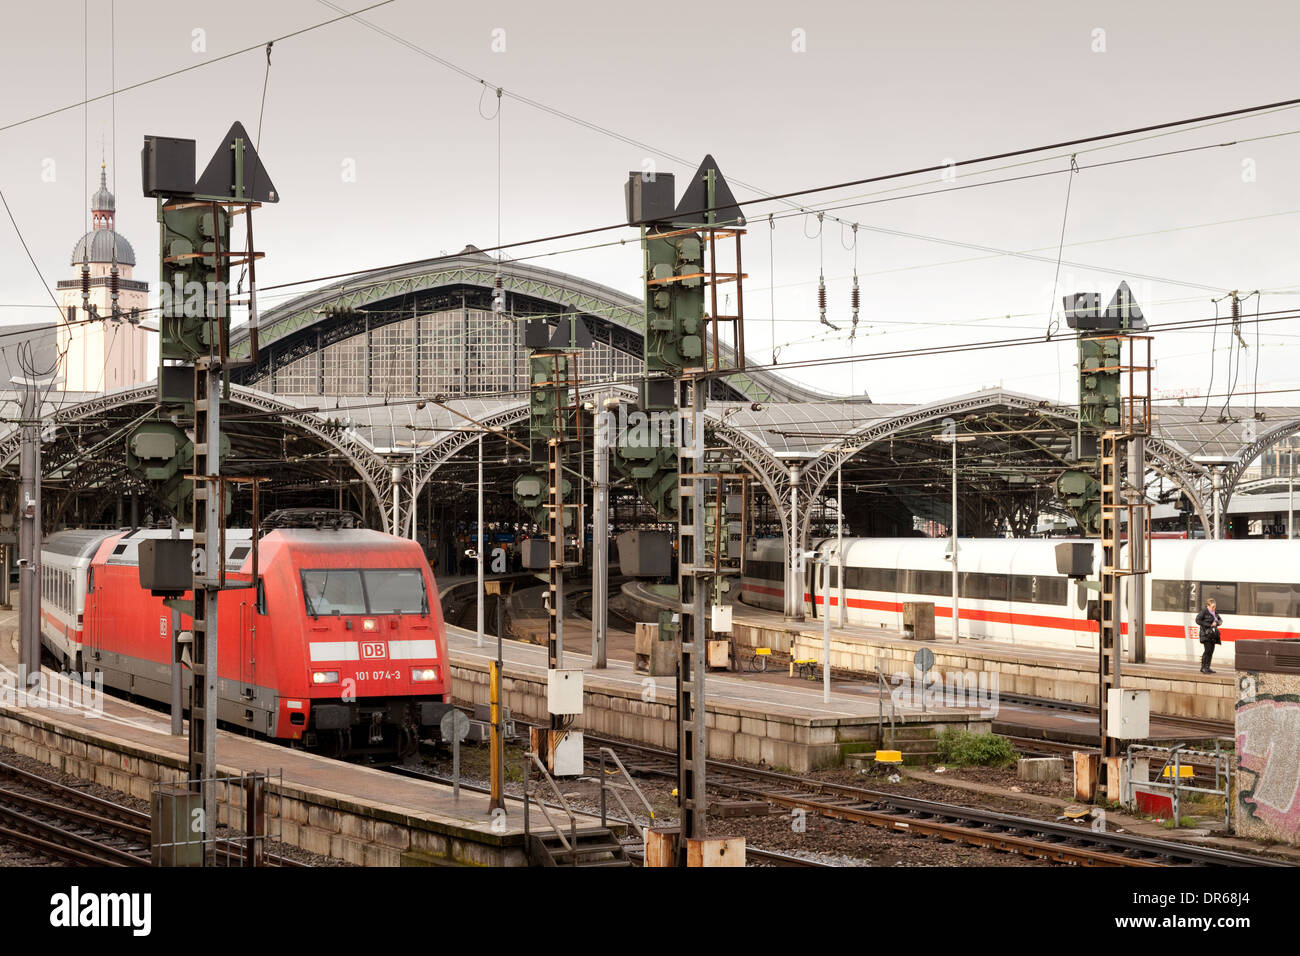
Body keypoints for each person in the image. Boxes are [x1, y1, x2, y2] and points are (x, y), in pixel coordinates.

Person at [1195, 597, 1222, 674]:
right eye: (1212, 607)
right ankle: (1203, 667)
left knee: (1211, 651)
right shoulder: (1204, 611)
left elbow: (1220, 620)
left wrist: (1217, 623)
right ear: (1208, 606)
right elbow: (1198, 620)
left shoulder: (1215, 612)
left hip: (1213, 635)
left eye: (1215, 606)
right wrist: (1209, 624)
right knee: (1207, 650)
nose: (1214, 608)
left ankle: (1207, 667)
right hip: (1206, 634)